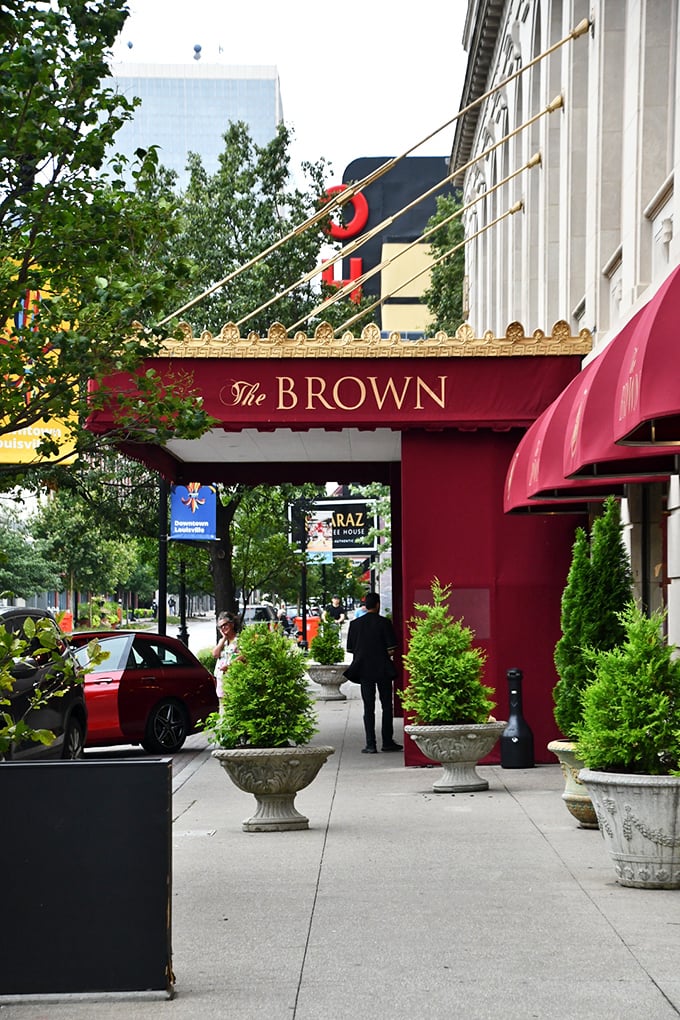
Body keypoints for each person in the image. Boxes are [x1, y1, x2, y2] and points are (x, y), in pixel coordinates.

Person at [345, 592, 401, 754]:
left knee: (368, 707)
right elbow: (391, 649)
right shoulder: (384, 623)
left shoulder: (355, 624)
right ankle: (387, 741)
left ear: (365, 606)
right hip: (383, 669)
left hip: (364, 670)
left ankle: (370, 744)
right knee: (386, 706)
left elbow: (351, 649)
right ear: (377, 605)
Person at [211, 611, 240, 700]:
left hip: (232, 680)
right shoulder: (222, 642)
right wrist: (224, 638)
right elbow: (215, 654)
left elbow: (243, 656)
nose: (223, 628)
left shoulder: (238, 640)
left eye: (225, 625)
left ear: (232, 624)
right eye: (220, 627)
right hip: (221, 681)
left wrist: (230, 666)